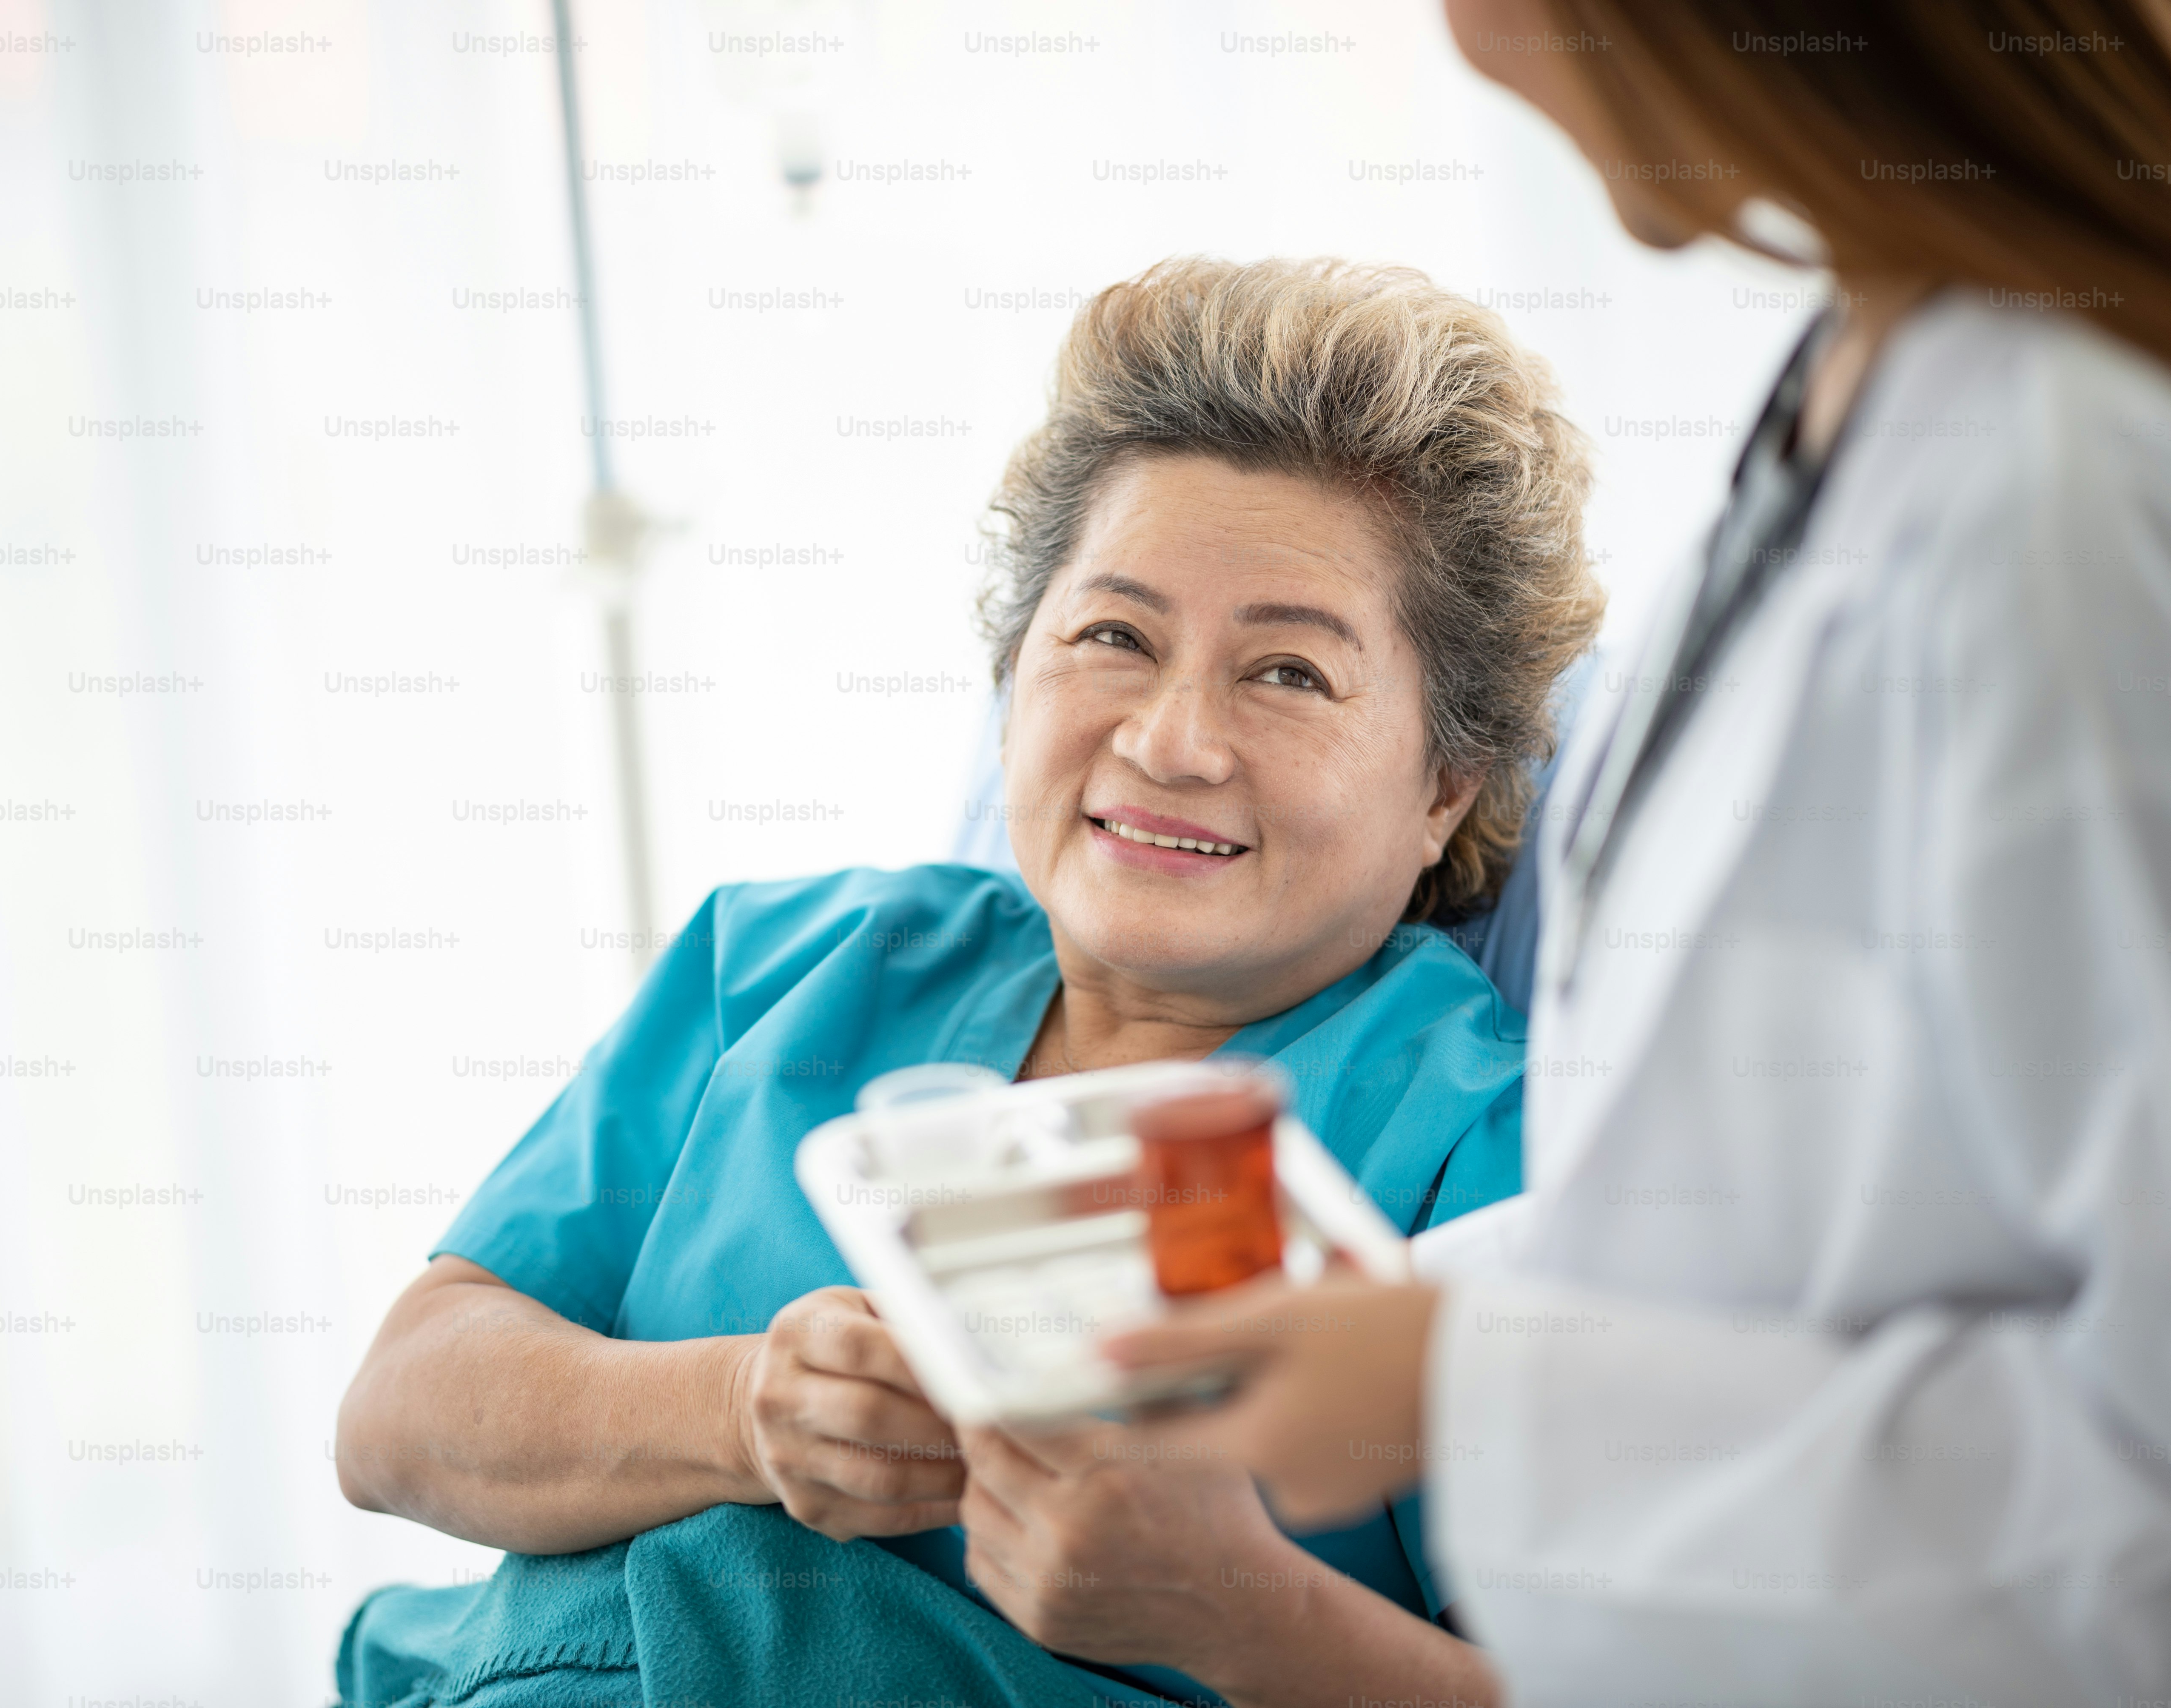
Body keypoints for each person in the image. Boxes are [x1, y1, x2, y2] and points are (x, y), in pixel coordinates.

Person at [330, 256, 1601, 1708]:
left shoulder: (1487, 1153)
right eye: (1113, 636)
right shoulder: (784, 966)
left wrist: (1239, 1619)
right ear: (1015, 677)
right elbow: (396, 1421)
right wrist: (741, 1411)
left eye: (1290, 675)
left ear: (1447, 782)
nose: (1171, 741)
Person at [1105, 3, 2171, 1704]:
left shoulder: (2071, 496)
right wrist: (1357, 1317)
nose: (1467, 47)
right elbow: (1816, 1208)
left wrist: (1457, 1385)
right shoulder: (1870, 392)